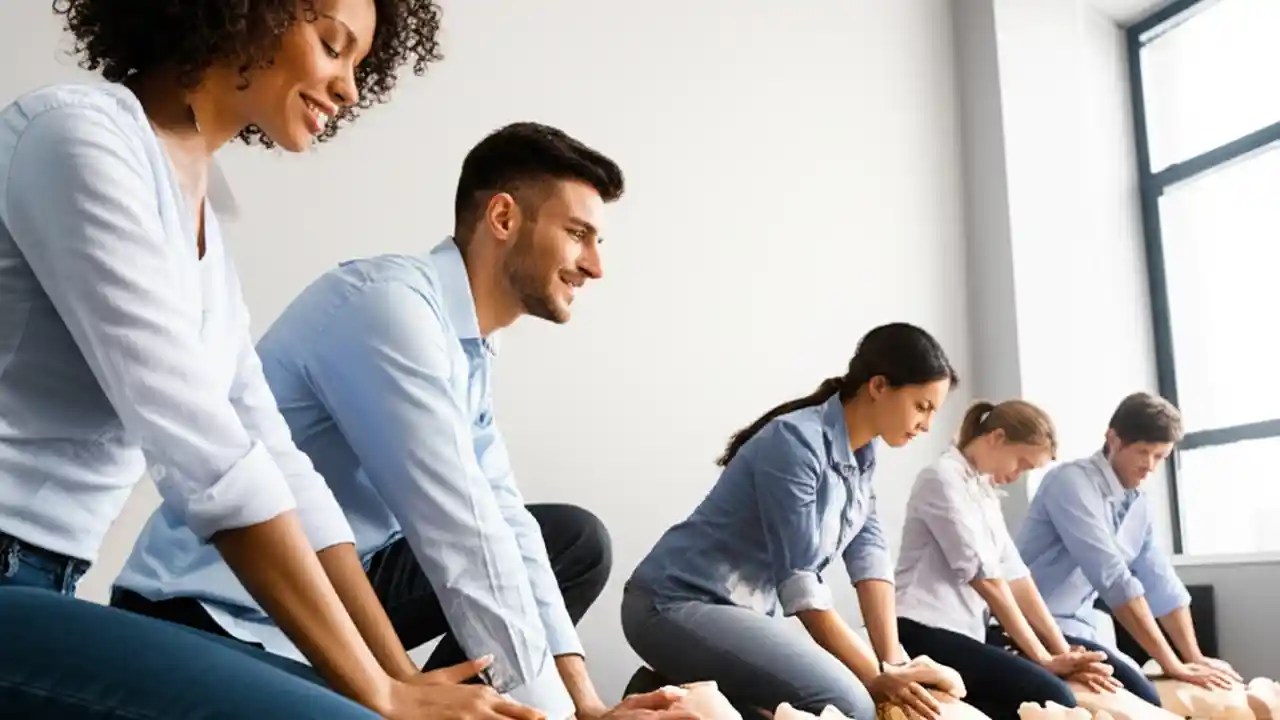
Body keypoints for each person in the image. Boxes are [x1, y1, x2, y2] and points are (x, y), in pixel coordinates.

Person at [0, 1, 547, 717]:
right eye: (331, 46)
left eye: (359, 65)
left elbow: (280, 461)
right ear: (246, 14)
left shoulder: (200, 218)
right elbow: (208, 456)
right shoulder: (79, 139)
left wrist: (393, 676)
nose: (350, 88)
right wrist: (374, 689)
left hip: (44, 587)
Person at [114, 121, 694, 720]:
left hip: (335, 597)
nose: (594, 266)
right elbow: (461, 538)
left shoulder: (468, 347)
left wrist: (585, 705)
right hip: (217, 608)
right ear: (503, 218)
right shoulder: (389, 309)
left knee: (570, 541)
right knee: (479, 559)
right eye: (579, 234)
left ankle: (478, 705)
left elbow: (505, 524)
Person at [621, 323, 968, 719]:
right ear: (878, 386)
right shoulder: (795, 442)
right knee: (853, 704)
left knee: (864, 698)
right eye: (922, 406)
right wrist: (874, 676)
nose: (926, 424)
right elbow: (800, 581)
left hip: (738, 611)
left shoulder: (862, 457)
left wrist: (894, 663)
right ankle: (665, 691)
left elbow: (869, 554)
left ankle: (666, 691)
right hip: (673, 601)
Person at [894, 399, 1124, 720]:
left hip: (968, 631)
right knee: (1053, 697)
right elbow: (988, 582)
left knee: (1086, 682)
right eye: (1021, 463)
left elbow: (1018, 578)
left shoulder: (983, 490)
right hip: (921, 628)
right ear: (997, 438)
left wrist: (1060, 652)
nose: (1017, 475)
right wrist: (1043, 658)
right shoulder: (941, 479)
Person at [1015, 392, 1243, 703]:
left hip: (1083, 626)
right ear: (1113, 439)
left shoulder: (1139, 504)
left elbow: (1161, 583)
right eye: (1143, 452)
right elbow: (1112, 577)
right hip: (1034, 628)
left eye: (1160, 456)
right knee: (1142, 694)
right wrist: (1172, 664)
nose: (1150, 466)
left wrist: (1194, 657)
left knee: (1151, 688)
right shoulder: (1069, 483)